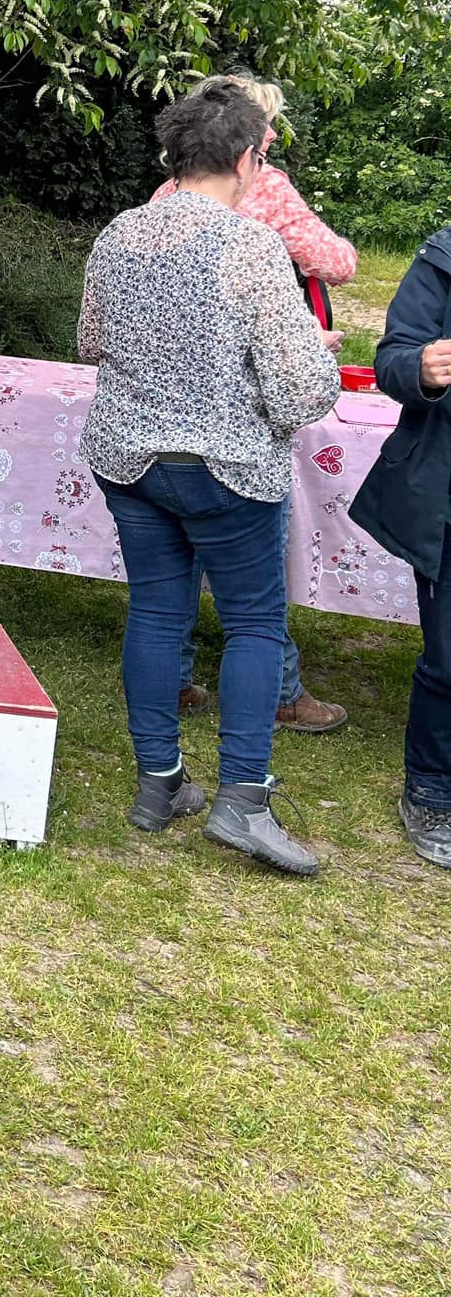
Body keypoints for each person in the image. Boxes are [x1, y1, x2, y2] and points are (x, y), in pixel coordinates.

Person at [79, 79, 342, 875]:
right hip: (224, 468)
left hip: (129, 459)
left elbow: (93, 342)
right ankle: (243, 803)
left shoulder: (118, 233)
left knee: (157, 614)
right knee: (256, 626)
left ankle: (159, 785)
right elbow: (301, 392)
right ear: (245, 158)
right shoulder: (250, 247)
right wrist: (307, 360)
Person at [152, 74, 358, 733]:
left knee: (174, 551)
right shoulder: (265, 189)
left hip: (167, 397)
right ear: (253, 139)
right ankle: (280, 689)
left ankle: (178, 678)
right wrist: (303, 342)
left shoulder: (165, 194)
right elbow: (337, 262)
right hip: (243, 402)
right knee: (251, 568)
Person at [347, 227, 451, 868]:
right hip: (446, 493)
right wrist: (422, 369)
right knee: (448, 661)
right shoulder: (444, 258)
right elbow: (392, 359)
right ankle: (432, 791)